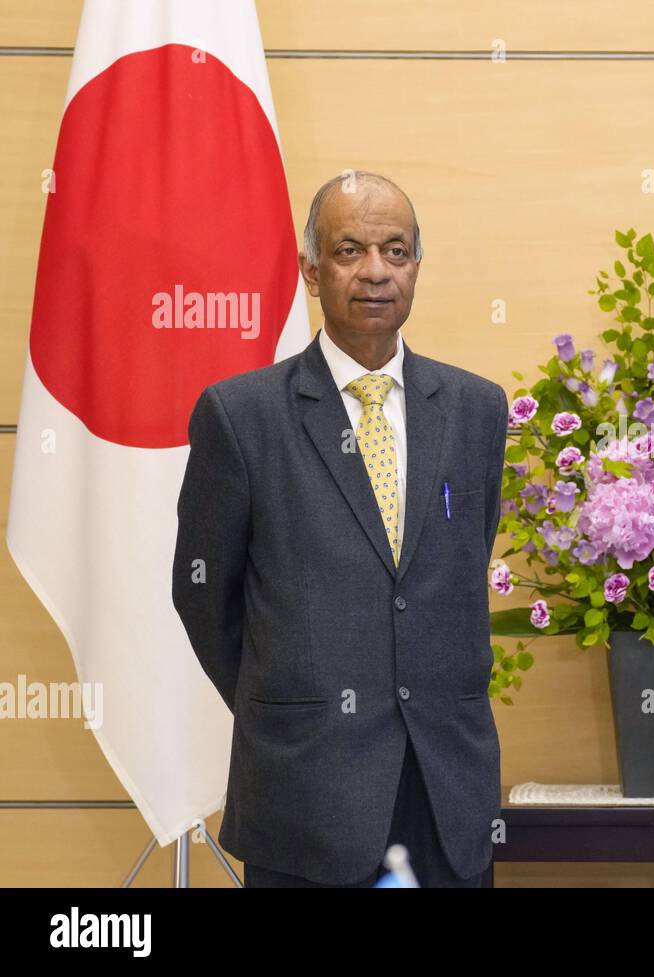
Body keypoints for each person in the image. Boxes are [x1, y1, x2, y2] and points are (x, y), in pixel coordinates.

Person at [173, 171, 507, 887]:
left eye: (396, 250)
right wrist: (289, 699)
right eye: (350, 250)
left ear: (418, 263)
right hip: (306, 790)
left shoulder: (477, 409)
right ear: (311, 271)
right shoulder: (242, 416)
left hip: (444, 786)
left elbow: (462, 560)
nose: (376, 271)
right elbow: (204, 593)